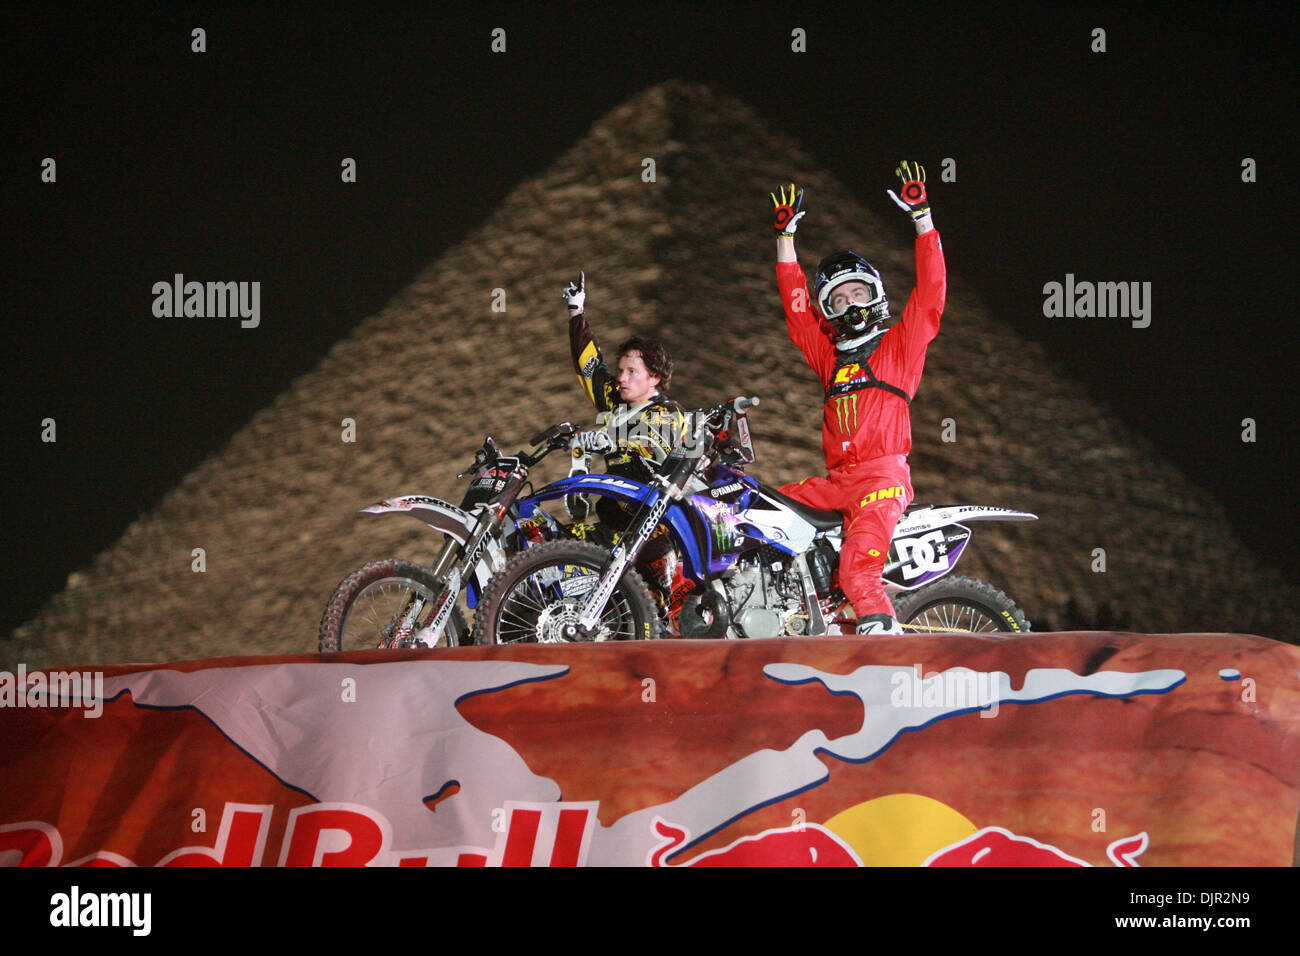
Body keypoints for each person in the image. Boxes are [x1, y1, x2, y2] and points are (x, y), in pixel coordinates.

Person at [769, 162, 946, 635]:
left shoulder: (898, 349)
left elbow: (930, 296)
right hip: (835, 483)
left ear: (876, 296)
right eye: (838, 299)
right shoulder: (830, 360)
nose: (850, 304)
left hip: (882, 481)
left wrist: (922, 219)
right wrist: (785, 241)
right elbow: (797, 314)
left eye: (857, 293)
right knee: (756, 513)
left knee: (857, 572)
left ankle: (886, 655)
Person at [561, 272, 689, 617]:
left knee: (652, 614)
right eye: (621, 370)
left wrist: (603, 439)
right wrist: (577, 313)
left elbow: (648, 435)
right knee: (552, 539)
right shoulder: (616, 404)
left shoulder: (669, 413)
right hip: (616, 526)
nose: (621, 378)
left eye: (632, 372)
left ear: (655, 378)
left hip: (652, 531)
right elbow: (589, 369)